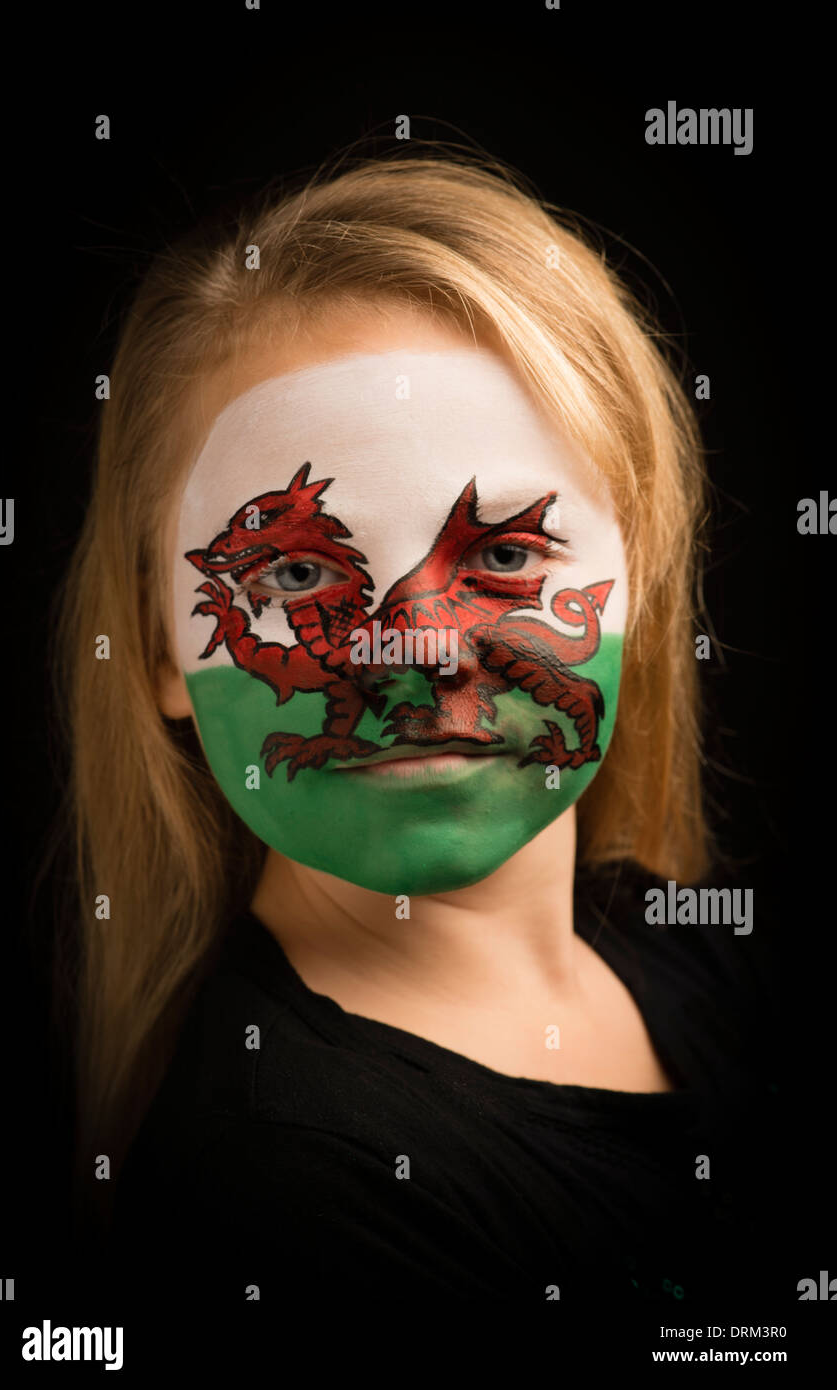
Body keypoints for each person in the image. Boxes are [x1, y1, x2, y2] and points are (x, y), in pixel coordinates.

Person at [54, 147, 779, 1311]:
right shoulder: (283, 1198)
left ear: (637, 583)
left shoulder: (690, 945)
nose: (419, 649)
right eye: (297, 576)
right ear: (158, 654)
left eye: (503, 556)